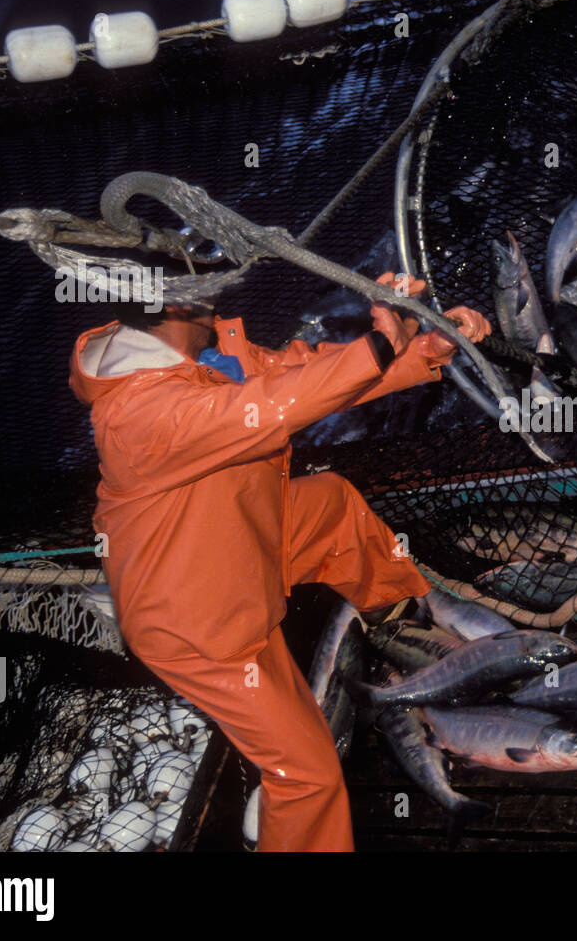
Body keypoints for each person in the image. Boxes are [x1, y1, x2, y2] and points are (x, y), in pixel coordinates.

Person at [68, 273, 491, 850]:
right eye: (201, 269)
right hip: (199, 622)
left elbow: (298, 374)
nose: (219, 280)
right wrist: (379, 345)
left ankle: (399, 624)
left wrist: (418, 349)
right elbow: (267, 408)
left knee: (331, 504)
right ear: (171, 302)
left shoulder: (196, 348)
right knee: (306, 775)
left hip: (236, 538)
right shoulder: (138, 415)